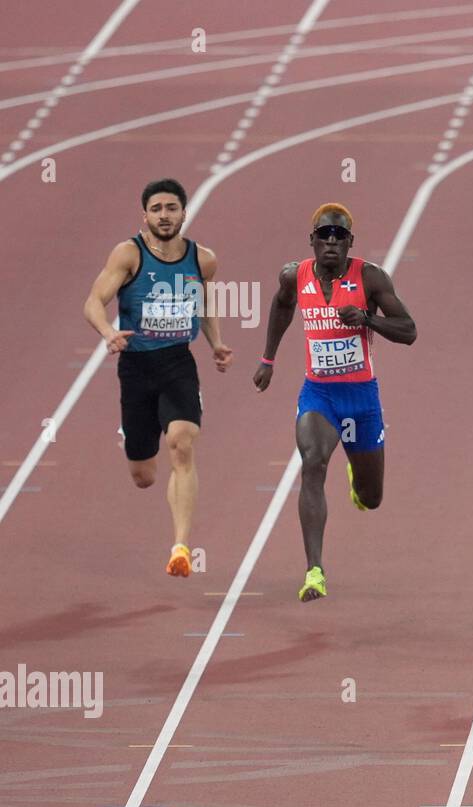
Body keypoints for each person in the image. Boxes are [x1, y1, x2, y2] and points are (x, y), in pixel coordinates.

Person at [254, 203, 416, 601]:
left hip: (361, 399)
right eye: (324, 235)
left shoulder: (371, 278)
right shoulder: (295, 275)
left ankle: (356, 480)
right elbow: (281, 305)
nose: (331, 242)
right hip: (319, 393)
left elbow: (409, 331)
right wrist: (268, 359)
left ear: (350, 243)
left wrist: (367, 319)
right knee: (312, 463)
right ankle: (314, 570)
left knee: (372, 497)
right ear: (311, 241)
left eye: (339, 237)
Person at [83, 178, 231, 577]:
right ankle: (134, 436)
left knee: (182, 444)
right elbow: (94, 301)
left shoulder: (203, 259)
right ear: (144, 215)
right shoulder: (128, 254)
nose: (164, 215)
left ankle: (180, 546)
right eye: (157, 209)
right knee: (144, 476)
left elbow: (204, 301)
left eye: (171, 208)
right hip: (135, 369)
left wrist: (216, 342)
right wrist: (108, 332)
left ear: (184, 212)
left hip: (177, 364)